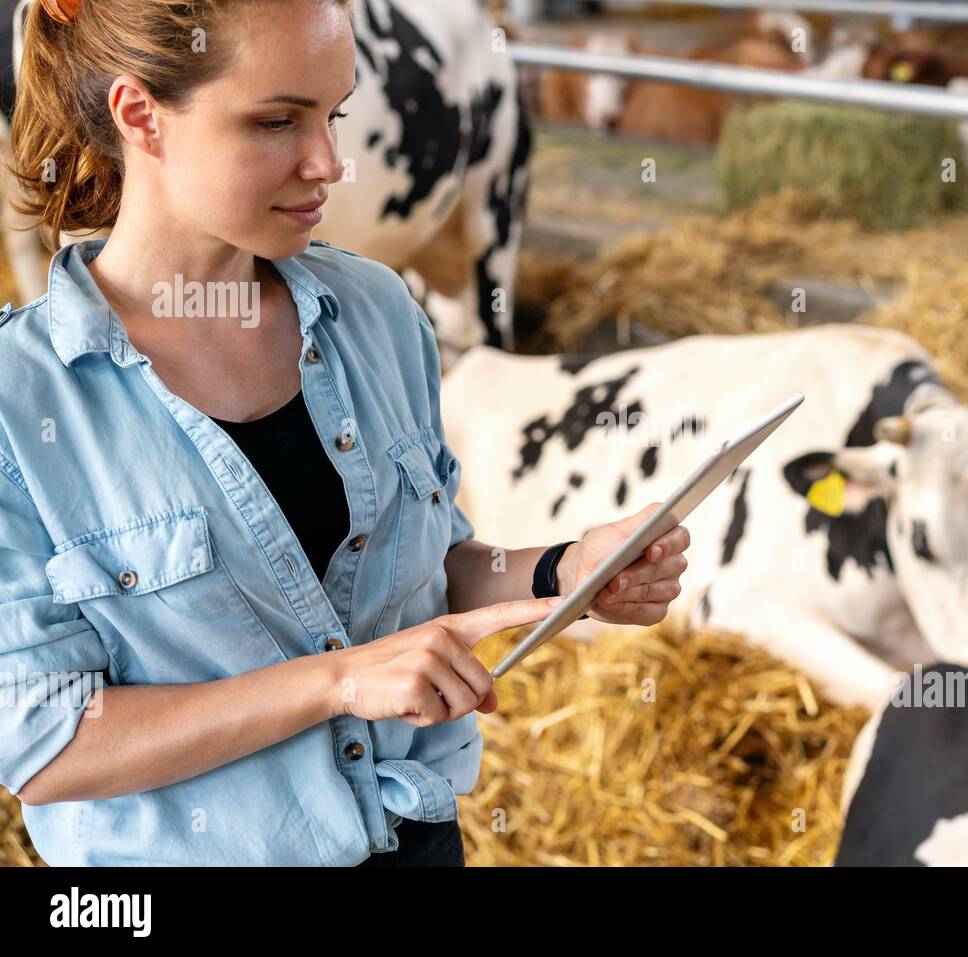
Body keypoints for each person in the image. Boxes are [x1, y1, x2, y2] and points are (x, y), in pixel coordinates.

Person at [0, 0, 689, 866]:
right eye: (278, 121)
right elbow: (48, 742)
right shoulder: (20, 403)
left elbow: (432, 569)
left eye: (335, 116)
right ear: (140, 116)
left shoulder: (376, 314)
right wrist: (338, 682)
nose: (329, 163)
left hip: (417, 841)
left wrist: (563, 569)